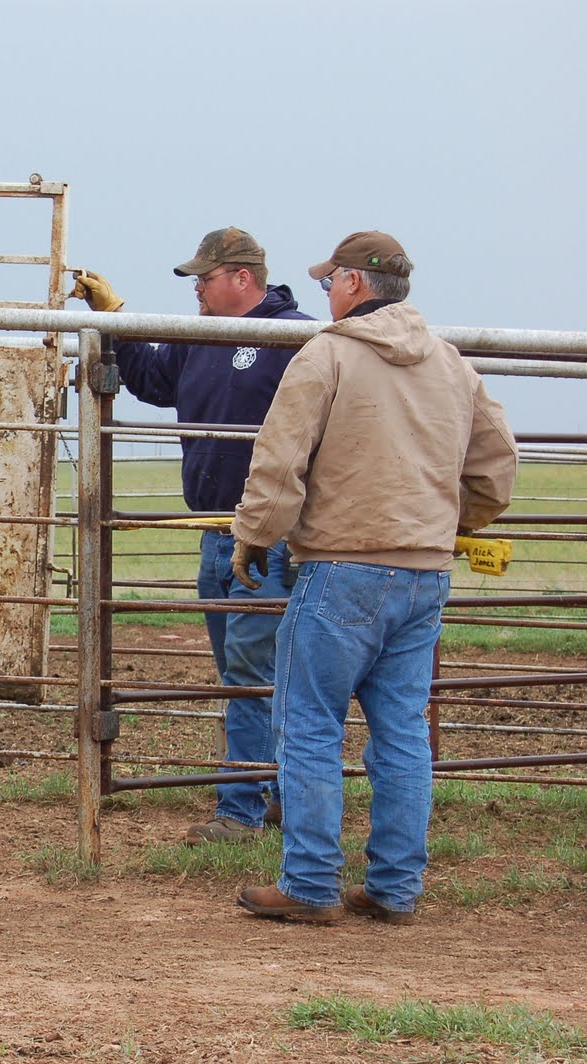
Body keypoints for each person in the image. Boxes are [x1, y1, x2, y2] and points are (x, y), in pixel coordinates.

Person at [231, 231, 518, 924]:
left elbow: (280, 459)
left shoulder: (327, 356)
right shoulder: (452, 366)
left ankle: (308, 884)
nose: (326, 291)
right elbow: (496, 467)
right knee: (400, 732)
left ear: (355, 285)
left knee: (307, 725)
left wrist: (254, 535)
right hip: (423, 574)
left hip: (342, 566)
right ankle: (393, 888)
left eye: (331, 280)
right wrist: (451, 524)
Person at [70, 228, 312, 843]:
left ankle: (241, 811)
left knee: (250, 668)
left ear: (241, 277)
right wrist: (116, 319)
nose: (197, 290)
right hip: (213, 529)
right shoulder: (202, 337)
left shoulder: (296, 339)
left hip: (268, 533)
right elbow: (152, 377)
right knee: (252, 668)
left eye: (203, 278)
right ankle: (281, 791)